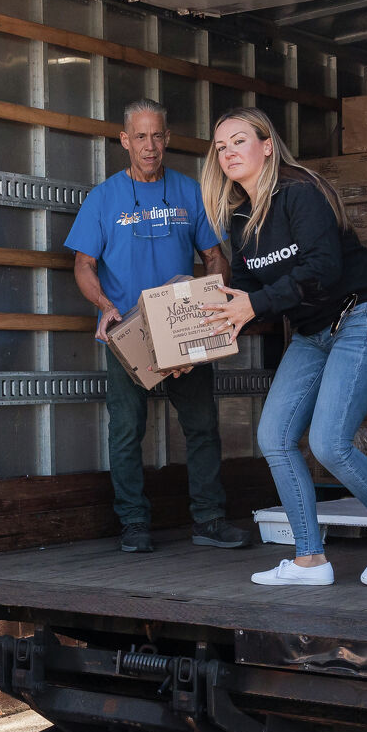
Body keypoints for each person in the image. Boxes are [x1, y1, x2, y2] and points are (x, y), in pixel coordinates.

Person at [199, 108, 367, 587]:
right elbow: (247, 296)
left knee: (329, 443)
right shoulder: (240, 218)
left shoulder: (300, 193)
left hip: (361, 317)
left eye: (239, 141)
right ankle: (309, 561)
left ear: (267, 146)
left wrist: (254, 304)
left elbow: (322, 269)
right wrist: (194, 341)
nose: (228, 152)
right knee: (274, 438)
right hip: (311, 333)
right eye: (220, 147)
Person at [66, 100, 252, 555]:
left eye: (157, 136)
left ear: (167, 139)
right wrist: (106, 307)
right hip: (128, 334)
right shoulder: (103, 198)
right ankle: (133, 523)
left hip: (184, 327)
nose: (149, 146)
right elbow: (83, 265)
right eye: (140, 137)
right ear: (125, 140)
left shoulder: (189, 192)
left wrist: (207, 308)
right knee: (126, 431)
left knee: (202, 426)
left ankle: (209, 519)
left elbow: (215, 258)